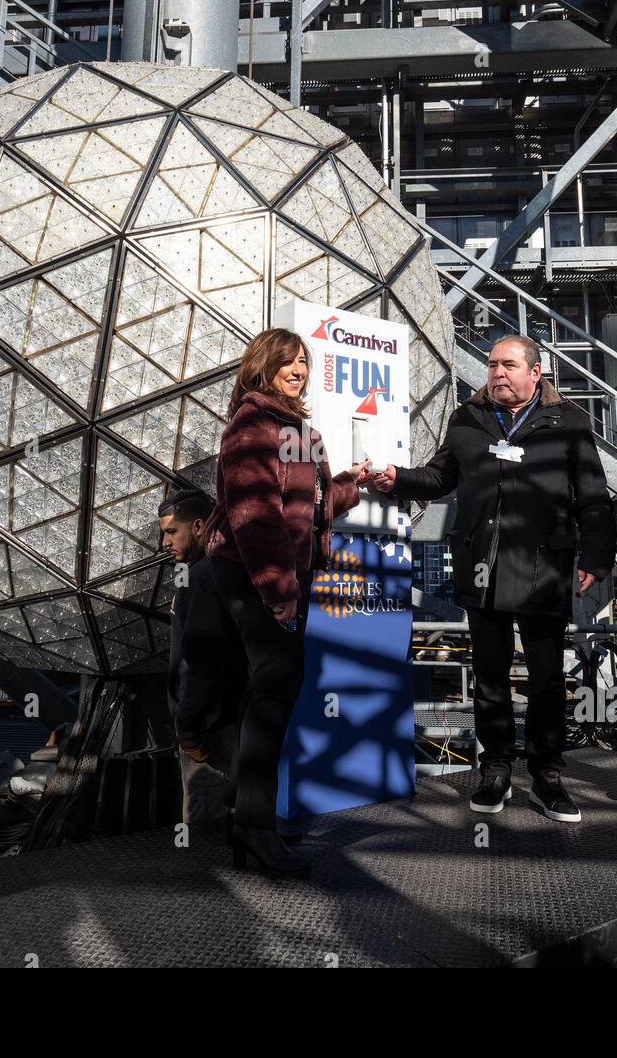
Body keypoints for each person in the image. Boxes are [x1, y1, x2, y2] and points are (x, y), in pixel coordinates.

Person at [370, 334, 615, 821]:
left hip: (545, 570)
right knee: (489, 678)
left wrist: (597, 558)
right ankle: (495, 769)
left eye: (508, 365)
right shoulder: (469, 419)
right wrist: (395, 477)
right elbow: (440, 477)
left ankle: (547, 778)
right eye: (491, 365)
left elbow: (593, 496)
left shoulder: (566, 422)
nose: (497, 373)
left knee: (546, 680)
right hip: (482, 568)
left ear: (535, 372)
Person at [200, 328, 368, 875]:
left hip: (281, 578)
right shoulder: (255, 422)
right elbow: (255, 511)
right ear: (263, 366)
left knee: (266, 699)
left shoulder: (298, 429)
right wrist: (278, 590)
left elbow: (308, 507)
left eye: (303, 361)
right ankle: (253, 827)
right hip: (254, 578)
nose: (298, 368)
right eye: (287, 361)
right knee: (270, 698)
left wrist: (350, 483)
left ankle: (249, 819)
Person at [159, 488, 245, 826]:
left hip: (208, 728)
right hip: (220, 719)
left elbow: (201, 661)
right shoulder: (215, 571)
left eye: (170, 532)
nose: (164, 542)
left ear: (198, 527)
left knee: (203, 826)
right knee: (224, 817)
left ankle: (207, 877)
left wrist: (188, 725)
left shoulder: (202, 580)